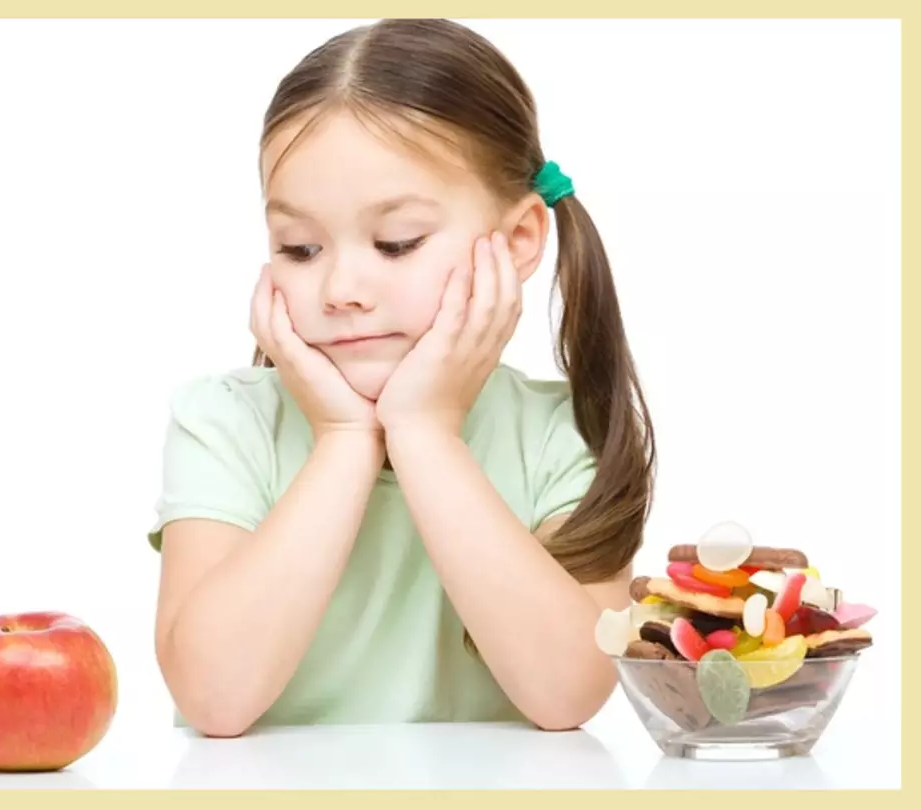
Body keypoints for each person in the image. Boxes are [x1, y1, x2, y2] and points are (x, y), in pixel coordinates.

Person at [148, 18, 656, 738]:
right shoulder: (223, 422)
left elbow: (567, 692)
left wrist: (424, 432)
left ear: (516, 242)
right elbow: (213, 698)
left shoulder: (556, 435)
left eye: (397, 243)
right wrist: (343, 439)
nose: (341, 287)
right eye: (299, 248)